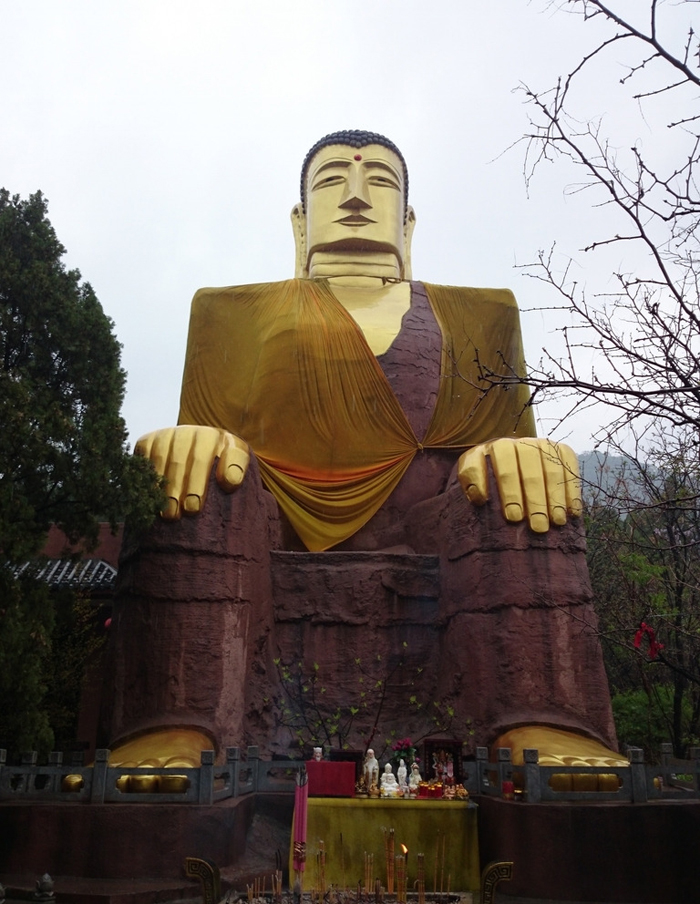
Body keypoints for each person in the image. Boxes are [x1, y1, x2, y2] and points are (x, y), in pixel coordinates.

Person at [105, 131, 622, 771]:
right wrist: (193, 442)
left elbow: (502, 443)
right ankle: (178, 722)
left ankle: (543, 721)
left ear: (408, 220)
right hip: (268, 532)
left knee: (517, 475)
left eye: (378, 181)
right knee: (192, 468)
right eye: (330, 183)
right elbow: (216, 452)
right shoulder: (230, 313)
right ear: (300, 222)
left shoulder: (481, 314)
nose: (354, 197)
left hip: (435, 530)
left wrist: (516, 454)